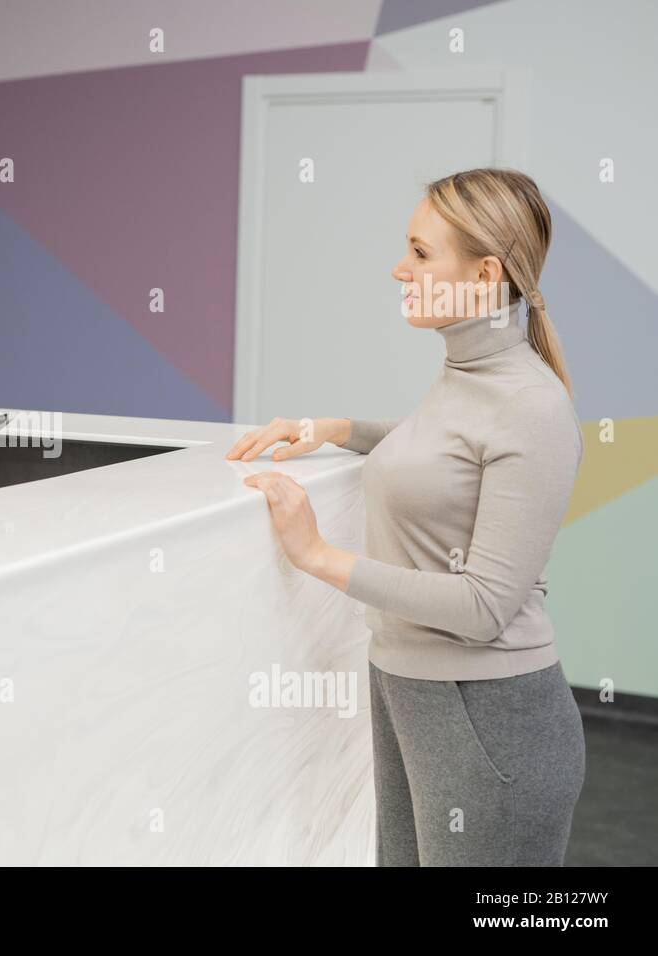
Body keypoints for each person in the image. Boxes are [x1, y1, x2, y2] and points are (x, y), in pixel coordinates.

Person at [227, 168, 586, 866]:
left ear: (483, 274)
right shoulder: (468, 373)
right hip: (412, 695)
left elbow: (483, 606)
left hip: (491, 721)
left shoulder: (532, 406)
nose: (400, 270)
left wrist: (317, 555)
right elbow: (443, 447)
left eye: (421, 253)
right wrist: (337, 427)